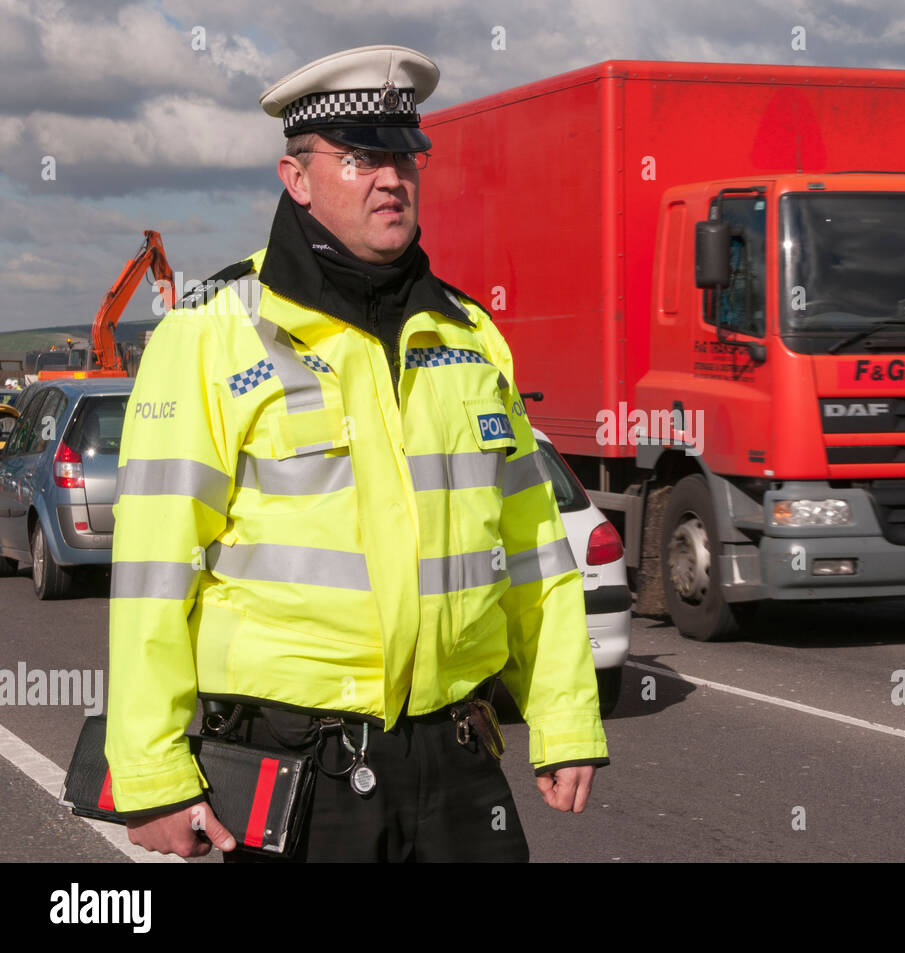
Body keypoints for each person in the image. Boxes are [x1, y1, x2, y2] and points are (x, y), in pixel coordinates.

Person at [105, 45, 608, 862]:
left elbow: (532, 551)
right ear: (296, 178)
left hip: (457, 757)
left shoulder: (468, 335)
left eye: (404, 156)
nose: (392, 178)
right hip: (295, 769)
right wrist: (152, 775)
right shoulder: (209, 335)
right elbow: (155, 568)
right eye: (361, 156)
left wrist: (565, 716)